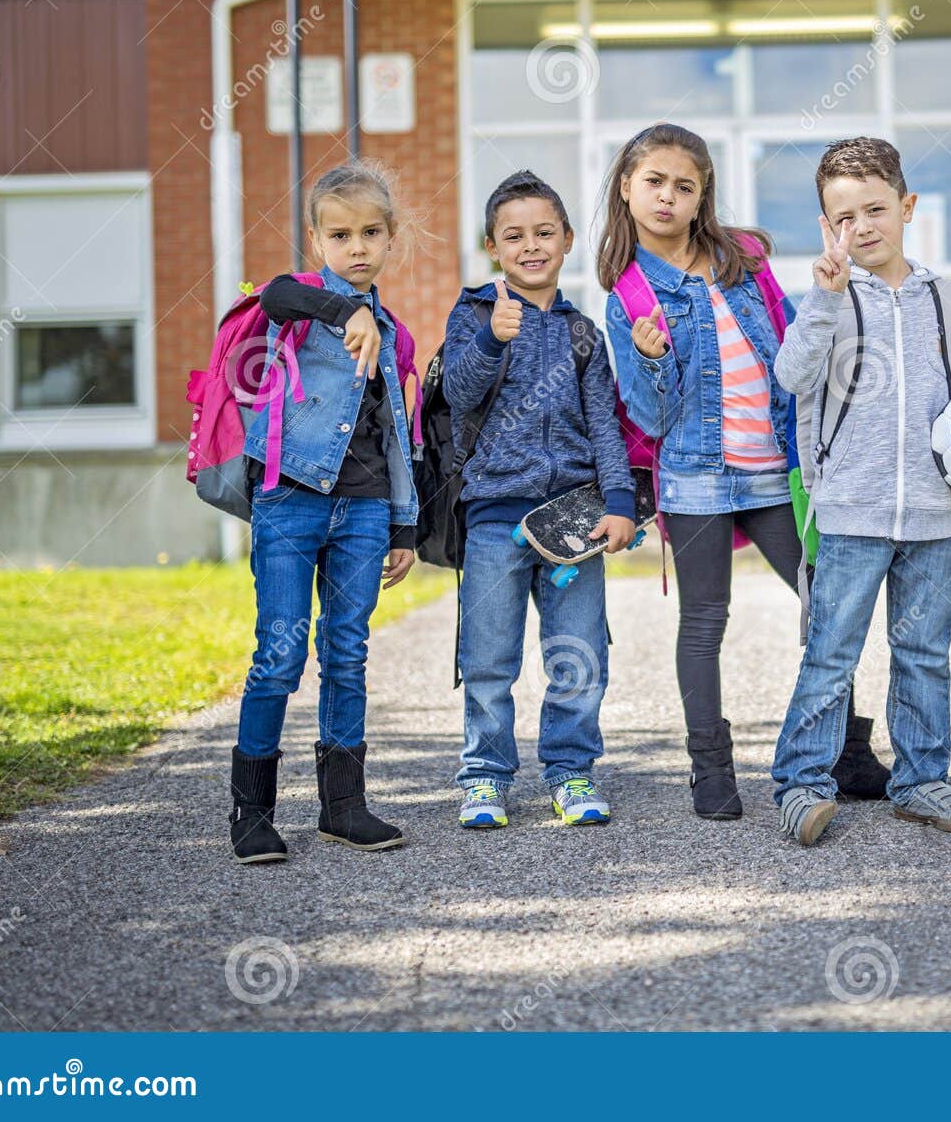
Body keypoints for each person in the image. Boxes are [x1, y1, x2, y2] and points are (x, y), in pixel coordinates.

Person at [600, 122, 891, 822]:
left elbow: (795, 349)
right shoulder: (629, 295)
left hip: (776, 469)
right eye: (654, 183)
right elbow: (651, 416)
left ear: (703, 197)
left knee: (825, 604)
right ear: (626, 189)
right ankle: (710, 767)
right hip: (697, 478)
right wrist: (647, 357)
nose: (668, 197)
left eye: (684, 186)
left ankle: (846, 751)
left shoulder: (745, 260)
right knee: (704, 620)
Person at [769, 137, 951, 846]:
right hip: (849, 515)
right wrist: (824, 300)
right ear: (826, 227)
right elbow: (792, 375)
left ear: (906, 207)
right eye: (844, 216)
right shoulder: (826, 300)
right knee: (830, 653)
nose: (862, 226)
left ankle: (922, 779)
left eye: (875, 209)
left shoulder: (947, 299)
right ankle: (801, 785)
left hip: (935, 514)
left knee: (923, 651)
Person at [228, 161, 419, 864]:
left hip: (364, 510)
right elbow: (272, 295)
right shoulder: (306, 302)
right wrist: (346, 309)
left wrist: (404, 525)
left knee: (348, 651)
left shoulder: (394, 332)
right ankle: (251, 812)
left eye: (372, 232)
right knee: (280, 651)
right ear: (317, 240)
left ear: (391, 239)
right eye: (341, 235)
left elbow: (398, 431)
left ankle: (344, 806)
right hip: (290, 500)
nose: (358, 247)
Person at [443, 171, 635, 829]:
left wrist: (620, 501)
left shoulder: (583, 333)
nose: (531, 245)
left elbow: (606, 425)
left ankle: (571, 772)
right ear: (492, 247)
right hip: (496, 516)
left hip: (574, 518)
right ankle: (485, 778)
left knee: (578, 653)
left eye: (544, 232)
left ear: (568, 240)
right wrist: (493, 337)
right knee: (489, 658)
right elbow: (460, 395)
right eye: (514, 235)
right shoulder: (473, 313)